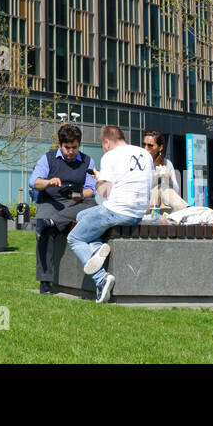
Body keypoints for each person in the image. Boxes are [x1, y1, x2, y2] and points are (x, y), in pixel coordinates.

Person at [66, 125, 152, 303]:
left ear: (106, 142)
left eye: (102, 146)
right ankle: (97, 249)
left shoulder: (110, 156)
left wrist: (97, 179)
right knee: (82, 217)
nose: (103, 149)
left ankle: (101, 278)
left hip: (116, 211)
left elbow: (104, 192)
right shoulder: (144, 153)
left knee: (75, 238)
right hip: (137, 213)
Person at [29, 123, 97, 294]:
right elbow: (34, 182)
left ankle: (52, 221)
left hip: (74, 199)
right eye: (67, 147)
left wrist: (79, 194)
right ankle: (45, 281)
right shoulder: (48, 158)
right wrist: (48, 182)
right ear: (60, 145)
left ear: (79, 145)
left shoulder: (88, 161)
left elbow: (91, 189)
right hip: (50, 200)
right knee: (46, 232)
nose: (71, 151)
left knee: (92, 204)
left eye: (74, 147)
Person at [142, 130, 187, 212]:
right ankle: (187, 211)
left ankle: (187, 211)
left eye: (150, 145)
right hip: (142, 203)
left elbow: (175, 191)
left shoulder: (166, 163)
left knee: (165, 188)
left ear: (160, 147)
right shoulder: (138, 162)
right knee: (161, 187)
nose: (145, 148)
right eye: (144, 144)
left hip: (161, 205)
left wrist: (168, 180)